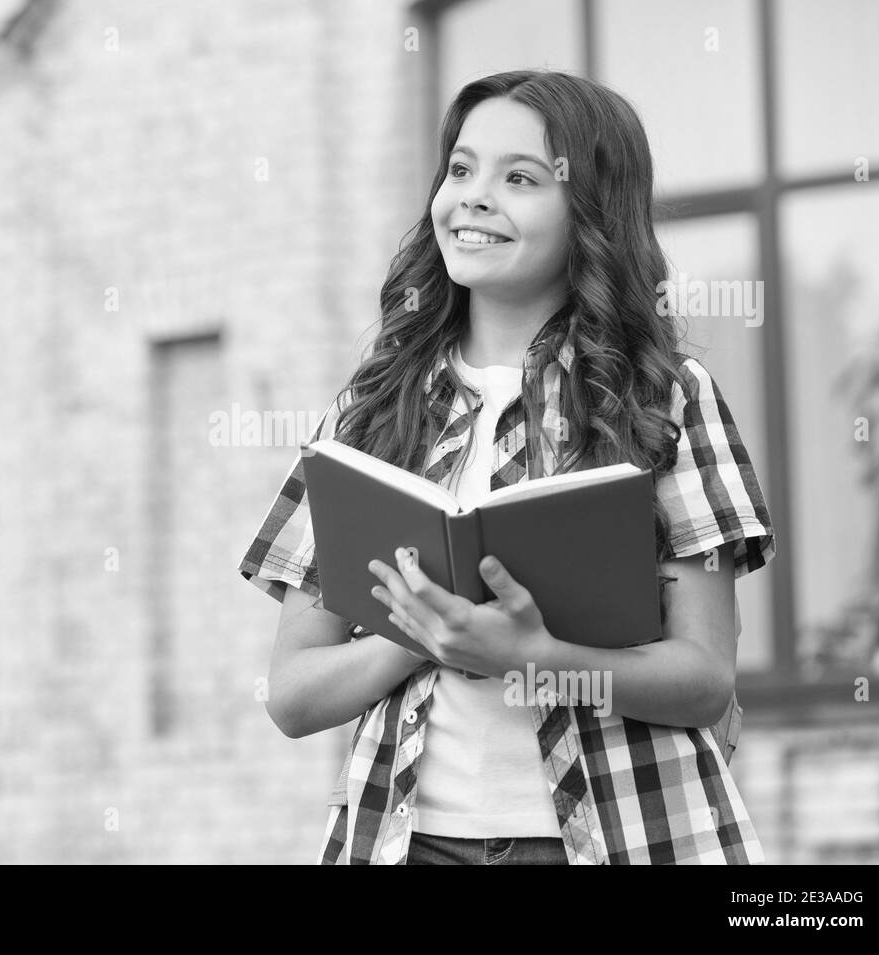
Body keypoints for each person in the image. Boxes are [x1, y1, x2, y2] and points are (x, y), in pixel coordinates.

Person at [236, 69, 775, 865]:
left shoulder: (662, 399)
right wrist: (432, 634)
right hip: (406, 842)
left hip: (625, 836)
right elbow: (292, 695)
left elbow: (703, 678)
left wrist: (530, 656)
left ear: (590, 212)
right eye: (460, 169)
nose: (475, 197)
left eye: (519, 178)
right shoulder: (370, 409)